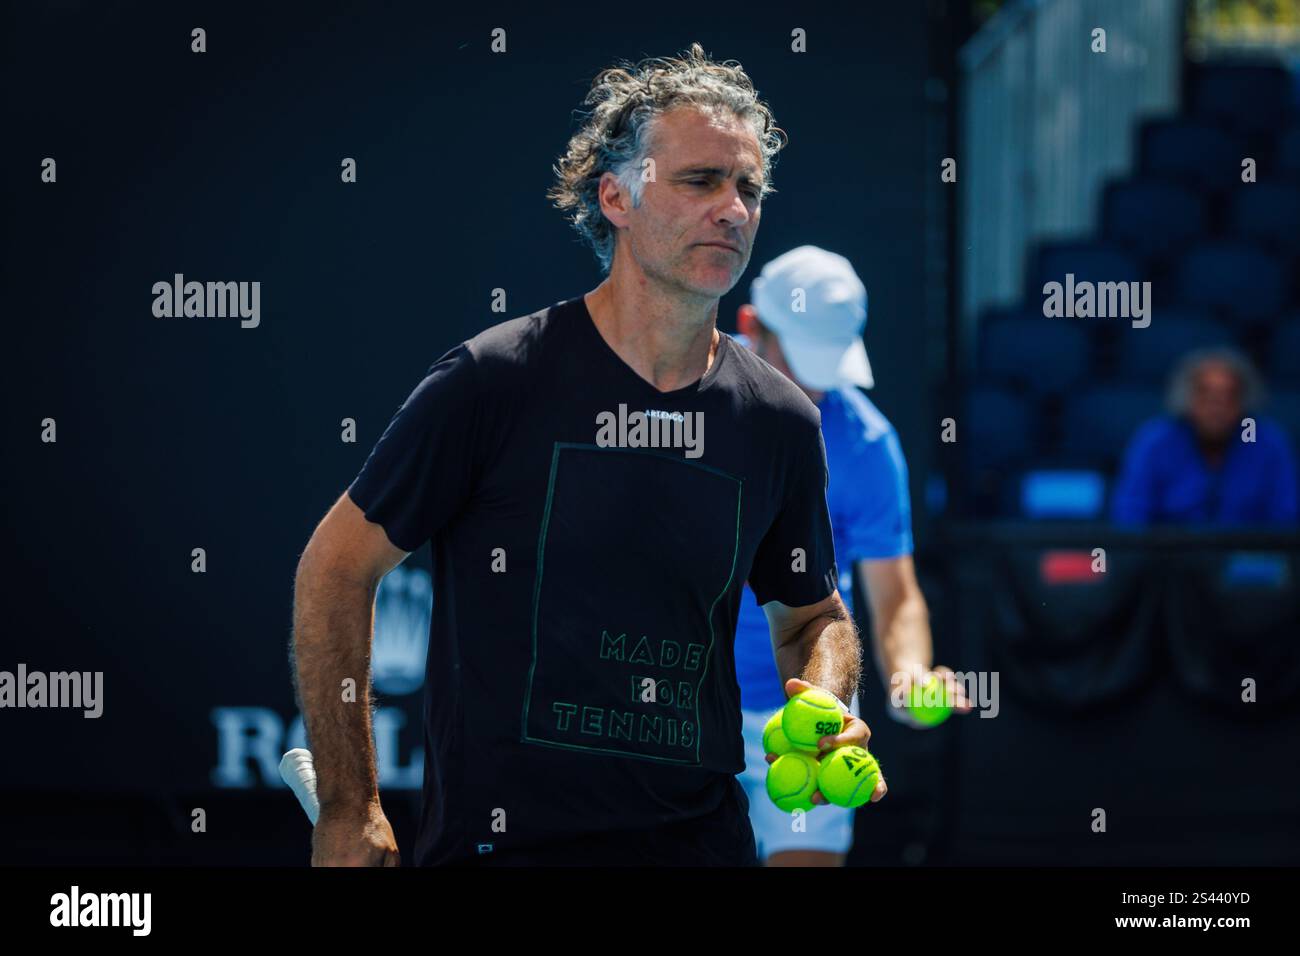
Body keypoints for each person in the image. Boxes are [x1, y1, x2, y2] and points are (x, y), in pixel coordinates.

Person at [290, 43, 884, 868]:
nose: (734, 209)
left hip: (700, 845)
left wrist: (824, 692)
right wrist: (350, 809)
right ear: (617, 196)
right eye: (700, 180)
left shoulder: (779, 419)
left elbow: (814, 617)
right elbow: (336, 568)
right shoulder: (493, 380)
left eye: (748, 188)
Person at [733, 246, 971, 867]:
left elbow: (894, 594)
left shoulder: (866, 442)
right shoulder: (681, 400)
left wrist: (911, 675)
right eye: (801, 359)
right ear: (753, 326)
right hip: (677, 708)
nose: (816, 383)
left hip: (810, 711)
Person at [1111, 347, 1298, 526]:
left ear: (1244, 401)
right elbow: (1130, 516)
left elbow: (1286, 517)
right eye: (1205, 396)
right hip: (1169, 555)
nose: (1216, 408)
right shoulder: (1156, 442)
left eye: (1228, 397)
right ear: (1186, 398)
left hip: (1250, 556)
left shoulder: (1268, 443)